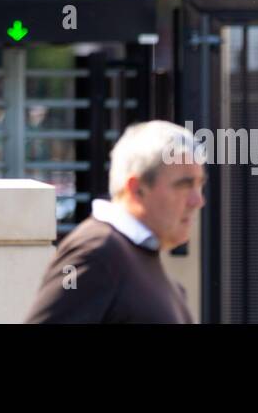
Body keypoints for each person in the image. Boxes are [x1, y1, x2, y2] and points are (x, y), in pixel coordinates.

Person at [25, 120, 204, 323]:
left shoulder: (131, 254)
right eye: (184, 185)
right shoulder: (94, 252)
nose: (197, 200)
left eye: (199, 185)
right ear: (137, 188)